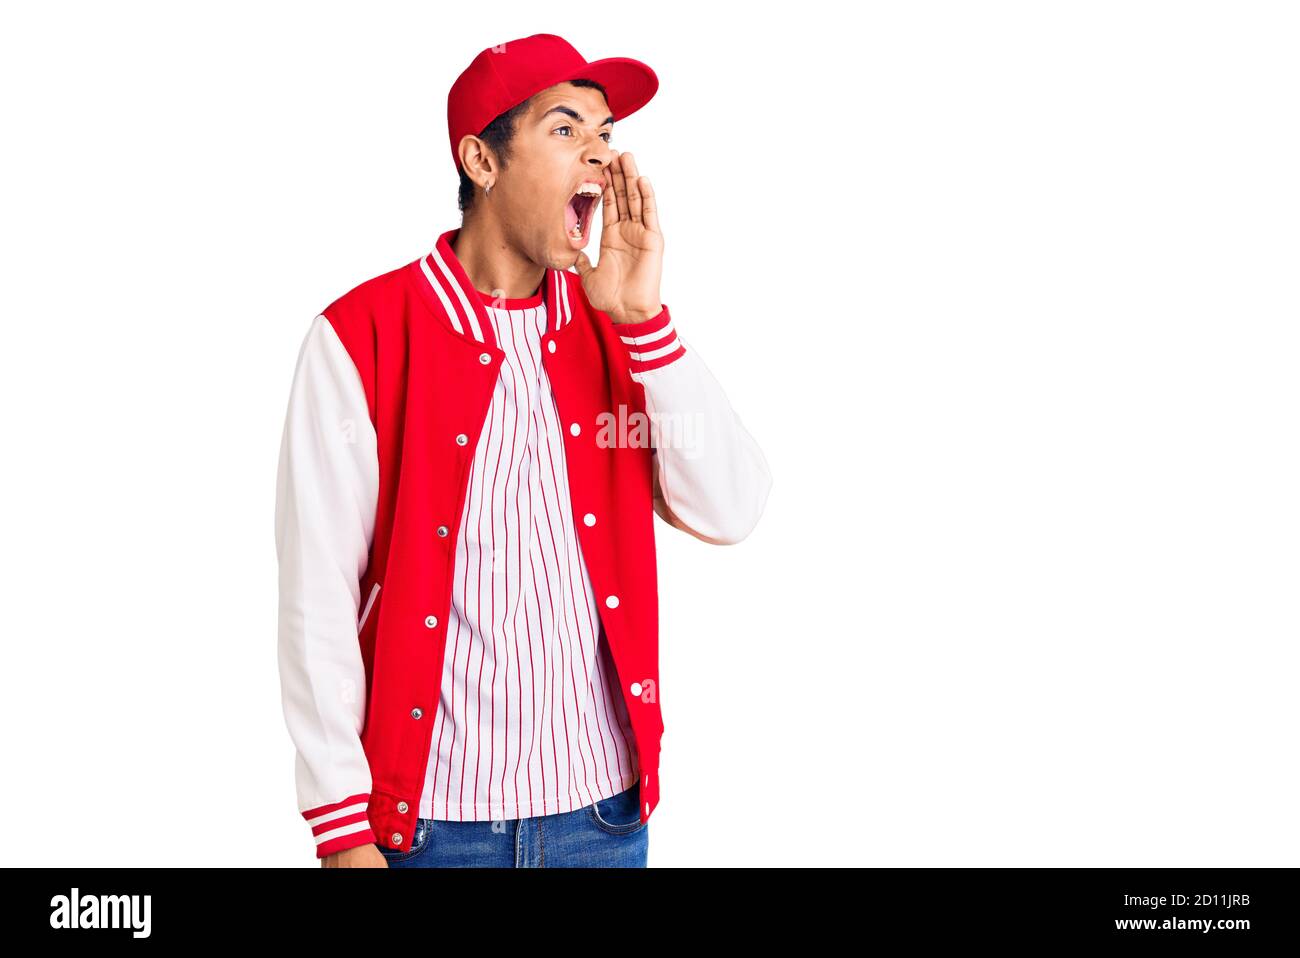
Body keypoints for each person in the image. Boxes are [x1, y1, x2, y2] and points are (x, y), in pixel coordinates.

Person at [275, 33, 772, 868]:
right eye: (567, 129)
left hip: (603, 821)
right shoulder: (360, 337)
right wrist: (341, 831)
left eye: (606, 133)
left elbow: (731, 507)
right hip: (431, 830)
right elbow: (316, 599)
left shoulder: (615, 332)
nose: (602, 157)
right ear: (481, 160)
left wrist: (645, 323)